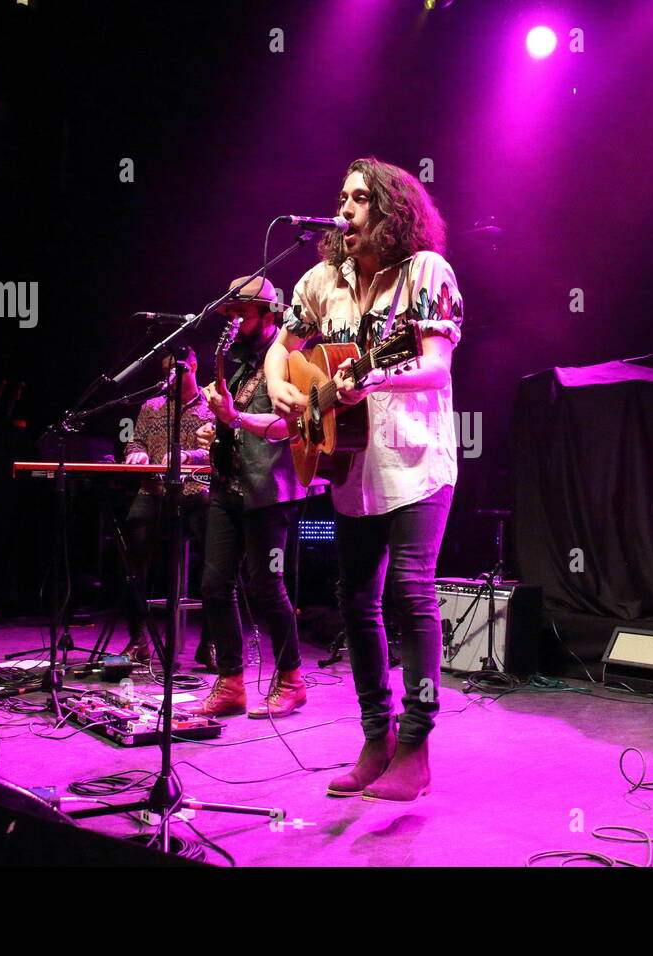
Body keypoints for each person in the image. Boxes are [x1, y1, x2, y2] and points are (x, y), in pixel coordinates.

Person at [263, 157, 463, 803]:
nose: (344, 209)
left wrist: (372, 377)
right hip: (351, 468)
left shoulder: (425, 272)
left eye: (359, 199)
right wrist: (280, 388)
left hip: (417, 460)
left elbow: (433, 366)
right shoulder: (323, 279)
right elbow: (281, 346)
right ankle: (375, 737)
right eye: (341, 198)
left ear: (391, 210)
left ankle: (416, 744)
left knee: (410, 595)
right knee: (356, 603)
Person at [189, 277, 310, 718]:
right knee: (213, 586)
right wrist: (217, 427)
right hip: (227, 484)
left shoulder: (291, 358)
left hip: (272, 491)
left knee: (266, 586)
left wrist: (235, 417)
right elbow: (232, 418)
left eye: (243, 312)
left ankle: (292, 679)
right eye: (232, 313)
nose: (236, 321)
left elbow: (288, 426)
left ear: (269, 313)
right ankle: (231, 681)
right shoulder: (237, 360)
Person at [120, 349, 215, 665]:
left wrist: (189, 456)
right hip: (155, 491)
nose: (170, 376)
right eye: (165, 371)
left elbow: (221, 449)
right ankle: (139, 640)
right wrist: (137, 454)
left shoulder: (213, 404)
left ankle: (211, 642)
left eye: (177, 369)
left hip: (197, 491)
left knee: (219, 560)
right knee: (132, 553)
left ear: (194, 365)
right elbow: (135, 441)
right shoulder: (151, 406)